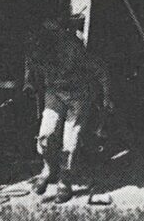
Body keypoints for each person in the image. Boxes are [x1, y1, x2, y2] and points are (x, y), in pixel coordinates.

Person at [24, 11, 111, 203]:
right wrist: (29, 82)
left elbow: (101, 69)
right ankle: (48, 169)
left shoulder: (73, 49)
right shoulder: (37, 49)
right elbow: (30, 64)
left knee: (70, 142)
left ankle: (66, 180)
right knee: (46, 135)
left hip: (78, 94)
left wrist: (106, 96)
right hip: (54, 92)